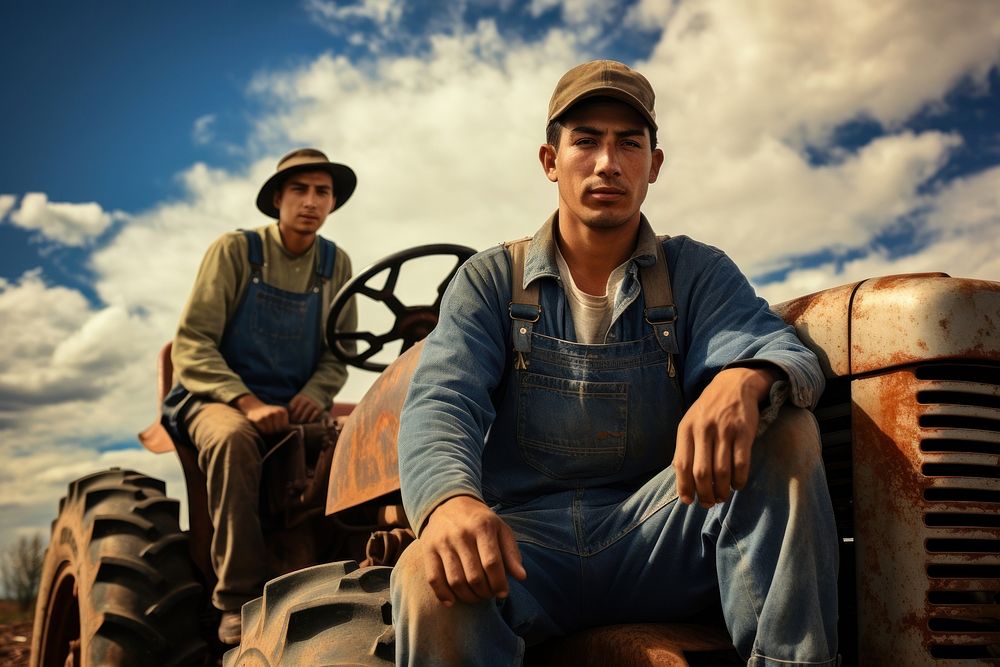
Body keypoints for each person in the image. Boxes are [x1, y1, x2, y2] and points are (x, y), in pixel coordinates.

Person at [390, 61, 839, 666]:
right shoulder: (491, 281)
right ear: (550, 160)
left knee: (783, 430)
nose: (608, 163)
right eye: (586, 141)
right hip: (525, 549)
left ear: (654, 165)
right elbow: (443, 401)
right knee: (428, 574)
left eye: (629, 143)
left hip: (657, 534)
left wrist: (744, 378)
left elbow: (781, 348)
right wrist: (448, 502)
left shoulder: (695, 273)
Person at [166, 148, 358, 645]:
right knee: (233, 441)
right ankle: (237, 598)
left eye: (322, 192)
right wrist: (246, 402)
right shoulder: (236, 251)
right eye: (300, 190)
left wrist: (314, 394)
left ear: (332, 202)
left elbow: (340, 353)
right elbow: (192, 345)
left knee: (359, 441)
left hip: (294, 405)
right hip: (214, 398)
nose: (311, 201)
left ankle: (355, 576)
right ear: (277, 198)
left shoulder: (335, 264)